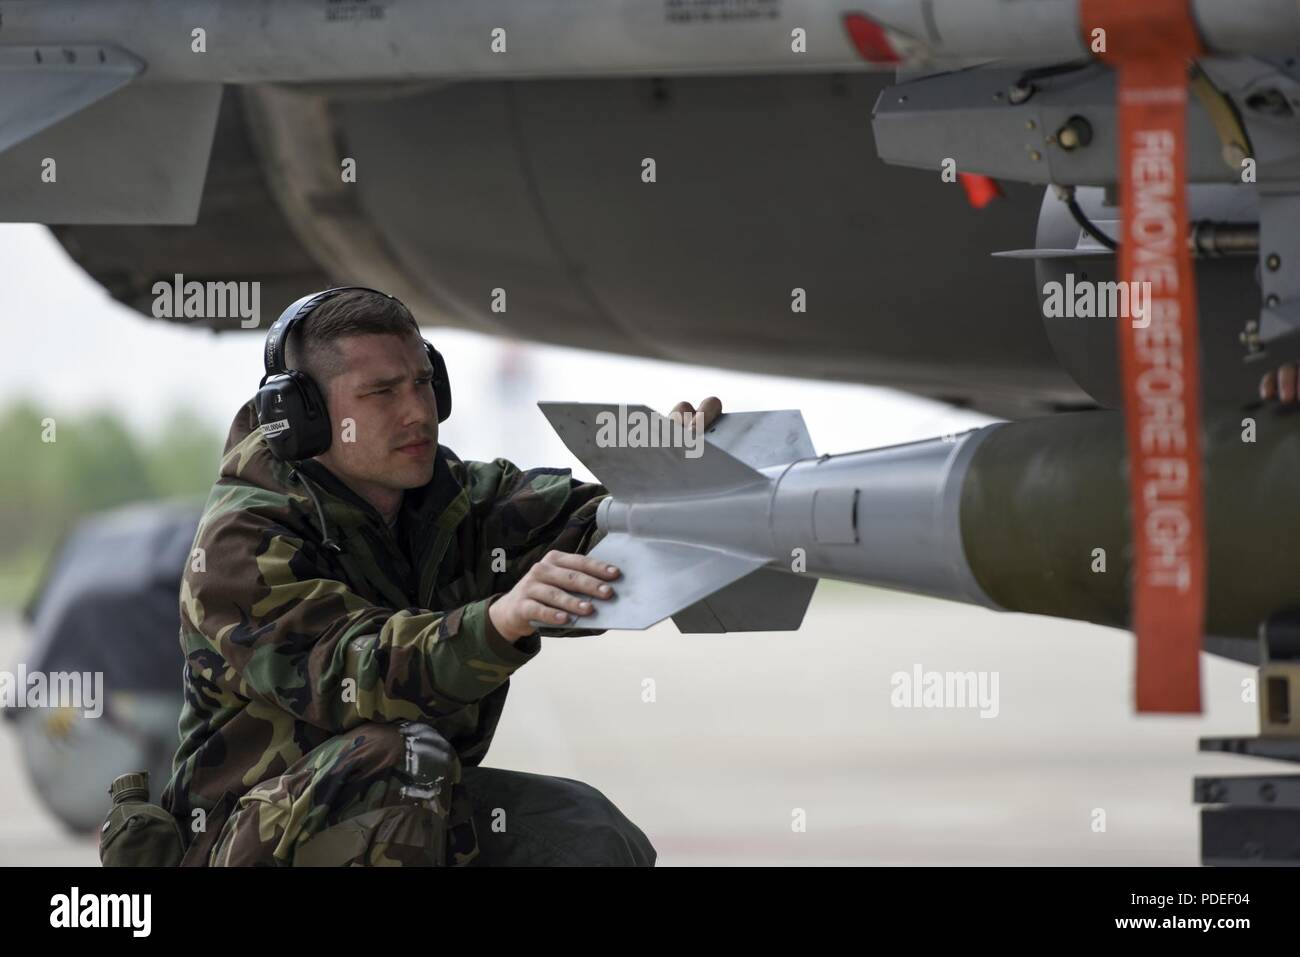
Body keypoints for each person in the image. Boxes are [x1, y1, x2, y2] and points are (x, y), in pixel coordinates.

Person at [159, 286, 722, 866]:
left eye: (424, 382)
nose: (418, 412)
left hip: (409, 805)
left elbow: (586, 526)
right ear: (306, 416)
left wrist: (662, 493)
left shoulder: (452, 499)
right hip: (250, 842)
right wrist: (497, 622)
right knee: (397, 758)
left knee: (589, 835)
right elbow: (356, 673)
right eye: (382, 392)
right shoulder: (241, 542)